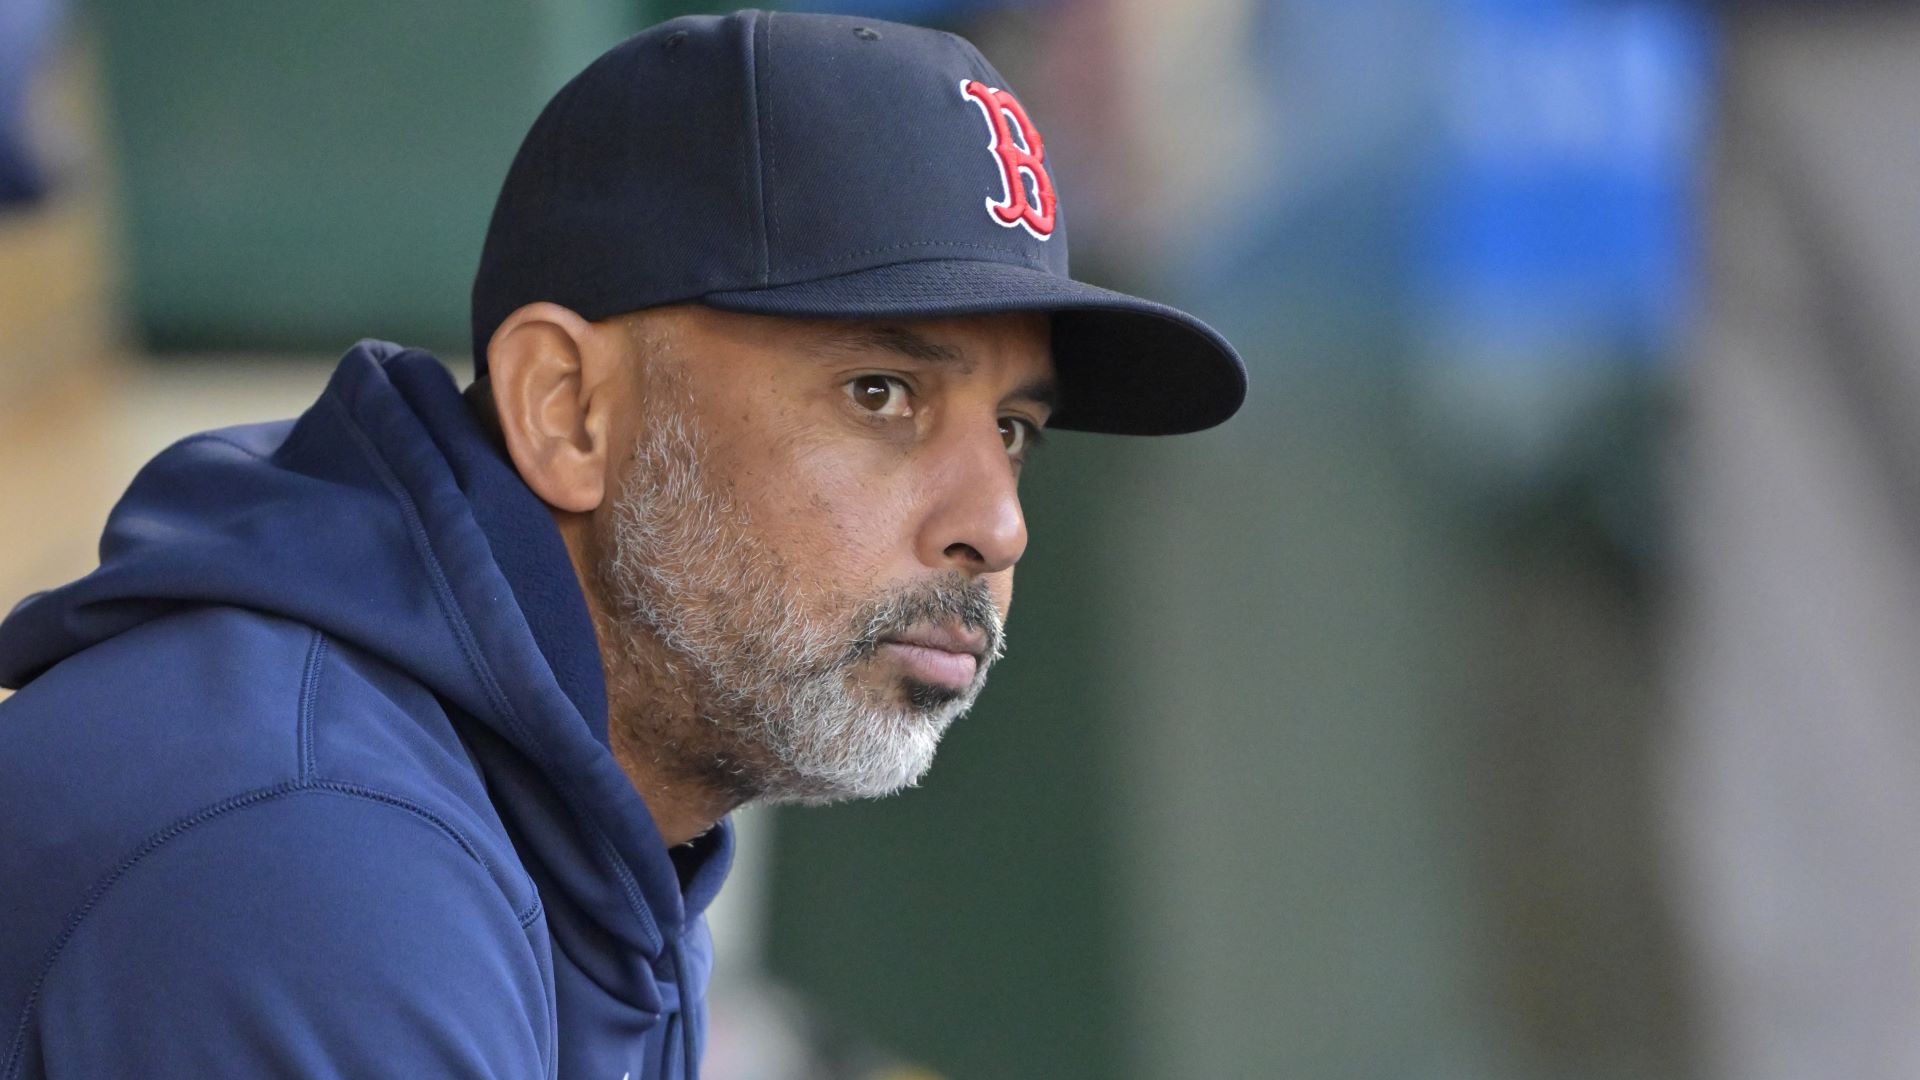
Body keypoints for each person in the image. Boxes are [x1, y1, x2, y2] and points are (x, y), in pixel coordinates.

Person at [0, 10, 1243, 1079]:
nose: (997, 523)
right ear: (568, 409)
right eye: (881, 394)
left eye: (1016, 430)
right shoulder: (308, 846)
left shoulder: (570, 834)